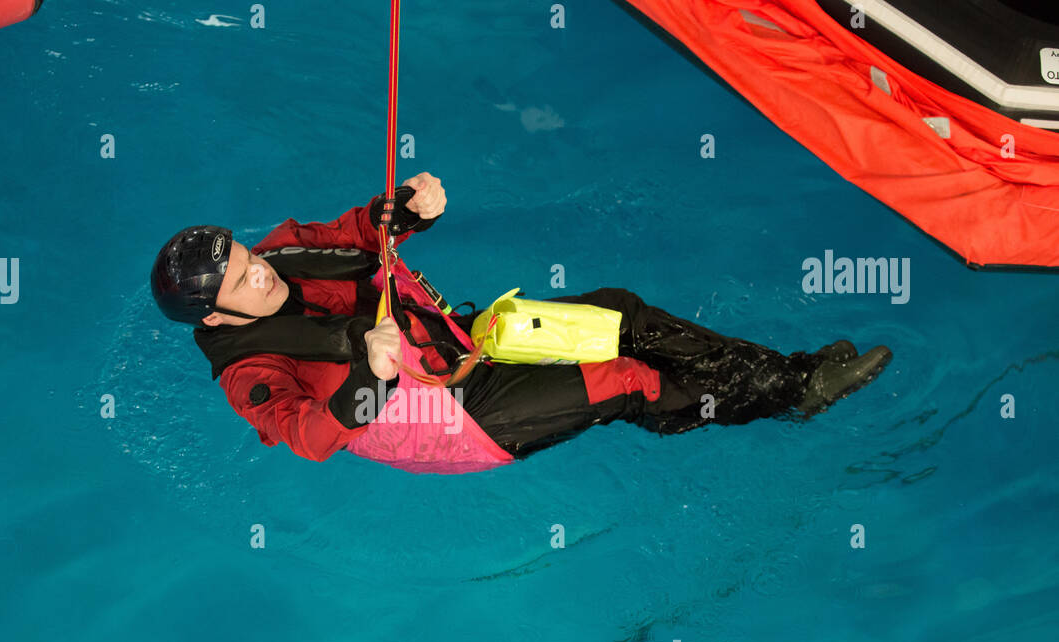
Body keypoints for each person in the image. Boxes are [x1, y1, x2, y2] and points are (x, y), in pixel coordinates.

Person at [150, 172, 892, 469]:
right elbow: (310, 439)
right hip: (447, 418)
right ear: (216, 314)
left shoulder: (279, 248)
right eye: (246, 280)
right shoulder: (249, 373)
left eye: (252, 255)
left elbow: (351, 231)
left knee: (617, 313)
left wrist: (404, 210)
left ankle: (785, 370)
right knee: (622, 379)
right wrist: (367, 381)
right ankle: (795, 398)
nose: (264, 269)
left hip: (459, 347)